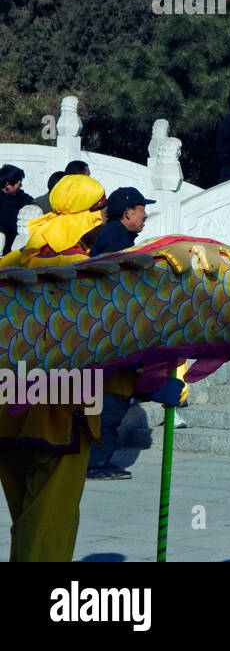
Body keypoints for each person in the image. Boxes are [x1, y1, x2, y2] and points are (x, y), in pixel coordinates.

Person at [0, 175, 106, 559]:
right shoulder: (88, 274)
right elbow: (106, 344)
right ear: (92, 216)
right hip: (63, 411)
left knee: (25, 518)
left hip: (7, 406)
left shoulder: (14, 261)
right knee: (49, 524)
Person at [82, 187, 161, 479]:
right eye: (142, 209)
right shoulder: (116, 239)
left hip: (109, 332)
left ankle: (93, 460)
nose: (145, 215)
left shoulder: (115, 235)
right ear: (128, 213)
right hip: (111, 335)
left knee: (108, 401)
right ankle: (95, 463)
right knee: (110, 401)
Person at [0, 164, 33, 255]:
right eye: (19, 184)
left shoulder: (20, 196)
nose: (20, 186)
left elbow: (33, 203)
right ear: (8, 185)